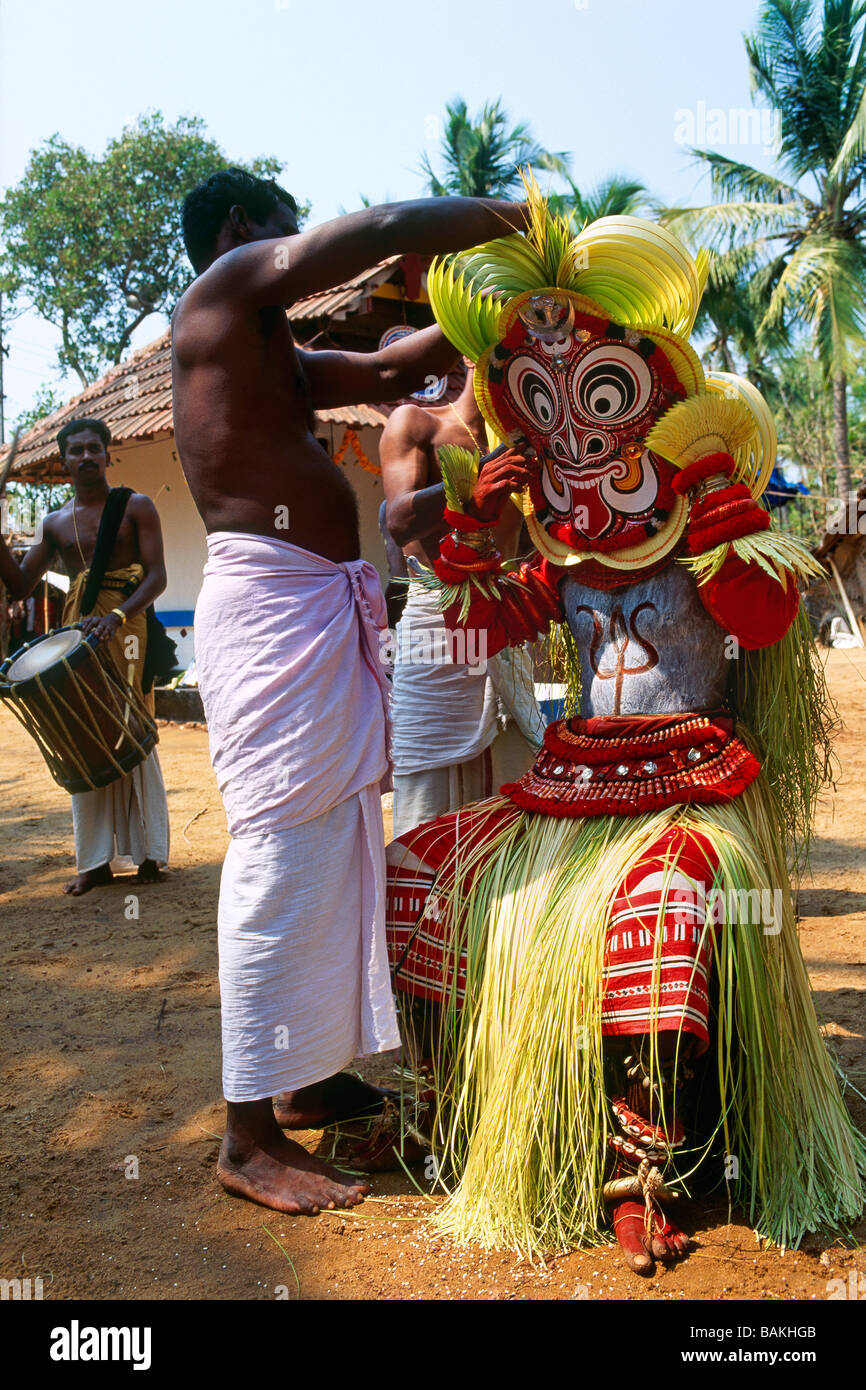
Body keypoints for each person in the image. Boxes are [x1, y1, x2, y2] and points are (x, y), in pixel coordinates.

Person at [385, 191, 866, 1270]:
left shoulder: (704, 512)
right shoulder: (554, 555)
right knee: (418, 866)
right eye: (540, 406)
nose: (575, 435)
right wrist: (467, 535)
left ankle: (637, 1161)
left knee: (656, 906)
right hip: (573, 787)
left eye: (596, 395)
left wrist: (726, 516)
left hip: (694, 787)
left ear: (649, 396)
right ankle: (459, 1109)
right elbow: (477, 627)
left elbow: (763, 620)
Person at [170, 166, 529, 1217]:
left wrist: (488, 317)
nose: (300, 249)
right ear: (244, 229)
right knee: (283, 846)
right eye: (286, 229)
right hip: (275, 615)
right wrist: (517, 218)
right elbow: (376, 227)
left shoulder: (269, 350)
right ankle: (243, 1136)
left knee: (332, 841)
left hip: (310, 612)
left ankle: (303, 1077)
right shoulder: (228, 293)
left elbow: (391, 361)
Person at [0, 417, 169, 895]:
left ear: (108, 454)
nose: (87, 457)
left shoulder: (136, 506)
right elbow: (18, 585)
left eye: (95, 448)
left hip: (129, 629)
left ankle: (148, 853)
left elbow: (158, 577)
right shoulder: (54, 523)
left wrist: (116, 617)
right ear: (65, 461)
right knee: (82, 727)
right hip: (78, 634)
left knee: (132, 724)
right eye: (77, 451)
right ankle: (93, 863)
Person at [381, 360, 542, 836]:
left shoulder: (535, 445)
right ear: (470, 353)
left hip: (504, 632)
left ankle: (502, 912)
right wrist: (469, 487)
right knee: (425, 809)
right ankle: (422, 910)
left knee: (514, 805)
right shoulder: (416, 422)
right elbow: (400, 520)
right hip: (435, 631)